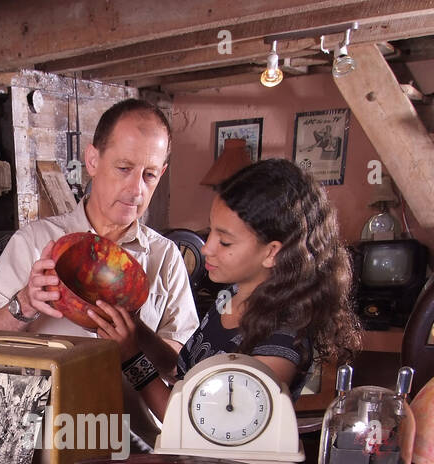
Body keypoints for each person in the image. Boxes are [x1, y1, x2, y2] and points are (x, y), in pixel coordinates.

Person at [0, 98, 199, 447]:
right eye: (124, 168)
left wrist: (134, 335)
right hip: (39, 444)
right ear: (92, 161)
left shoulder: (166, 257)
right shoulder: (36, 242)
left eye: (149, 174)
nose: (136, 189)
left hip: (134, 446)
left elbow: (179, 369)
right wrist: (25, 303)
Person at [89, 157, 360, 420]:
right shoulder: (231, 297)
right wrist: (136, 331)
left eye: (225, 242)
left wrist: (131, 358)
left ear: (272, 253)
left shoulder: (281, 341)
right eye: (211, 232)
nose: (207, 249)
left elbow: (194, 424)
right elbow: (181, 372)